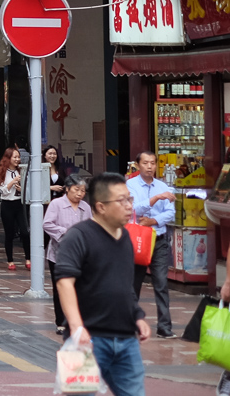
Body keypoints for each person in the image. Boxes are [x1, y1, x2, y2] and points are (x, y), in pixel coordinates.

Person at [55, 172, 149, 396]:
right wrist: (77, 327)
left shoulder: (125, 237)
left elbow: (125, 286)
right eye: (121, 200)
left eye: (130, 199)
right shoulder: (78, 236)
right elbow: (64, 282)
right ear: (101, 206)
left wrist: (138, 316)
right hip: (89, 339)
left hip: (126, 340)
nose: (128, 206)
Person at [127, 150, 175, 337]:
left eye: (153, 163)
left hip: (159, 240)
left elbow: (170, 213)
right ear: (138, 165)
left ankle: (165, 327)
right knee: (134, 283)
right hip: (139, 239)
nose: (149, 166)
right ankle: (131, 324)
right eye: (145, 163)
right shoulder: (130, 185)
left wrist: (153, 221)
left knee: (161, 283)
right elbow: (133, 209)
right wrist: (155, 199)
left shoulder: (164, 186)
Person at [43, 177, 91, 334]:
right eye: (76, 190)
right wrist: (66, 233)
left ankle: (77, 321)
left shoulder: (86, 207)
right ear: (67, 189)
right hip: (59, 254)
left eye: (83, 191)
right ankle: (61, 322)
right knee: (61, 289)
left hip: (81, 255)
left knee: (80, 288)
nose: (80, 194)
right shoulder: (56, 204)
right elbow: (47, 224)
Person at [0, 146, 29, 269]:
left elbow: (28, 188)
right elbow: (2, 191)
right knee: (9, 234)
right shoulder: (1, 172)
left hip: (19, 204)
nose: (17, 159)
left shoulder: (22, 171)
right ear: (8, 158)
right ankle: (10, 261)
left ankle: (28, 259)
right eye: (15, 157)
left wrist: (22, 189)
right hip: (7, 204)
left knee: (25, 232)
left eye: (18, 157)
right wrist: (12, 182)